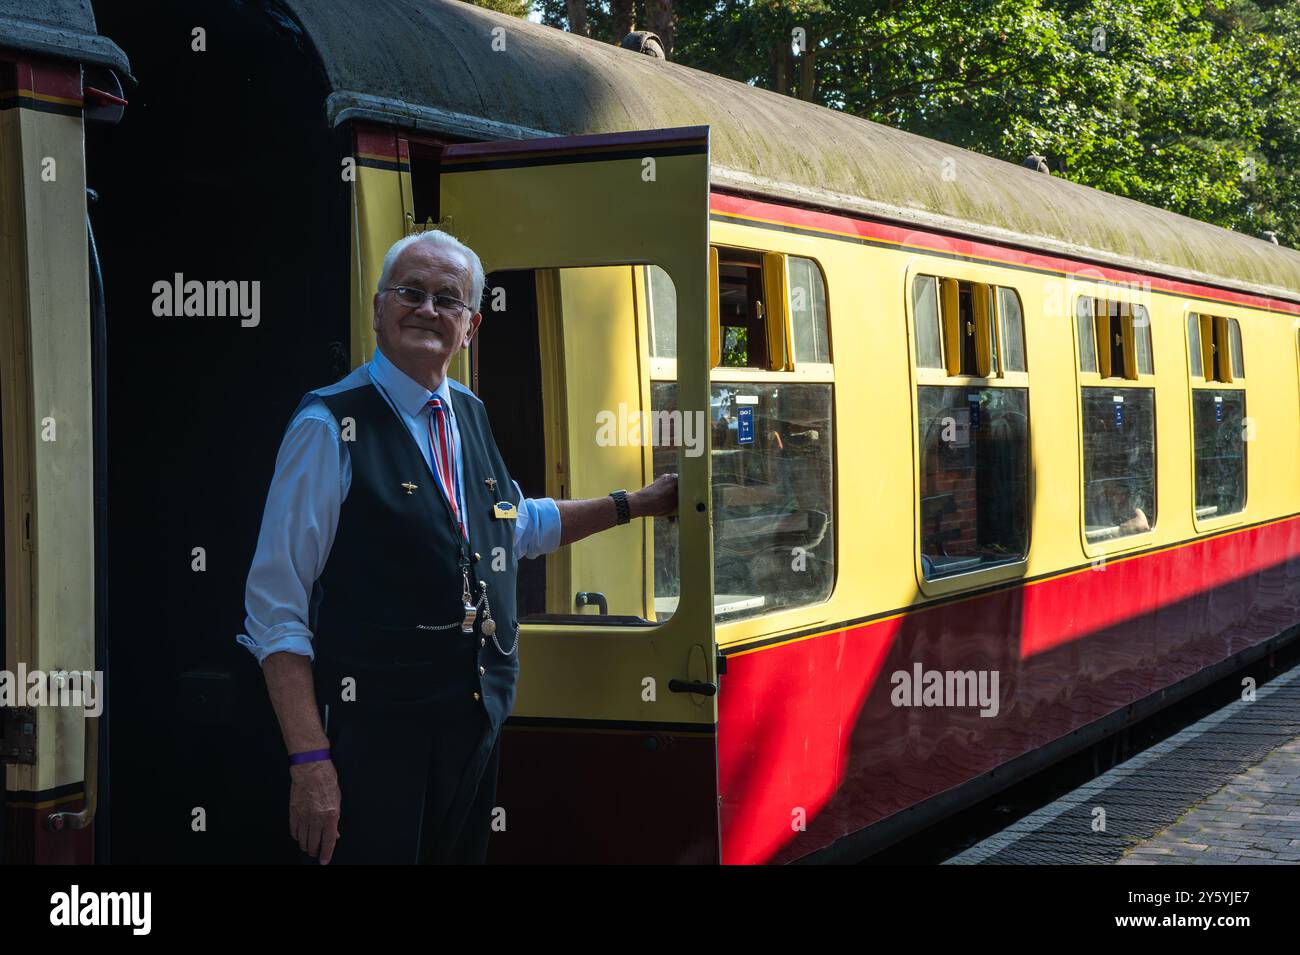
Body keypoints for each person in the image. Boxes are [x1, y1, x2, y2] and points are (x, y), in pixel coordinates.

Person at [237, 229, 678, 864]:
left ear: (470, 326)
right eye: (410, 292)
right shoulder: (327, 425)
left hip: (473, 727)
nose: (427, 309)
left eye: (448, 299)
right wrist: (310, 761)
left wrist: (632, 505)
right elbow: (275, 609)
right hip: (374, 739)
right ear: (379, 309)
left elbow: (517, 525)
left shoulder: (468, 412)